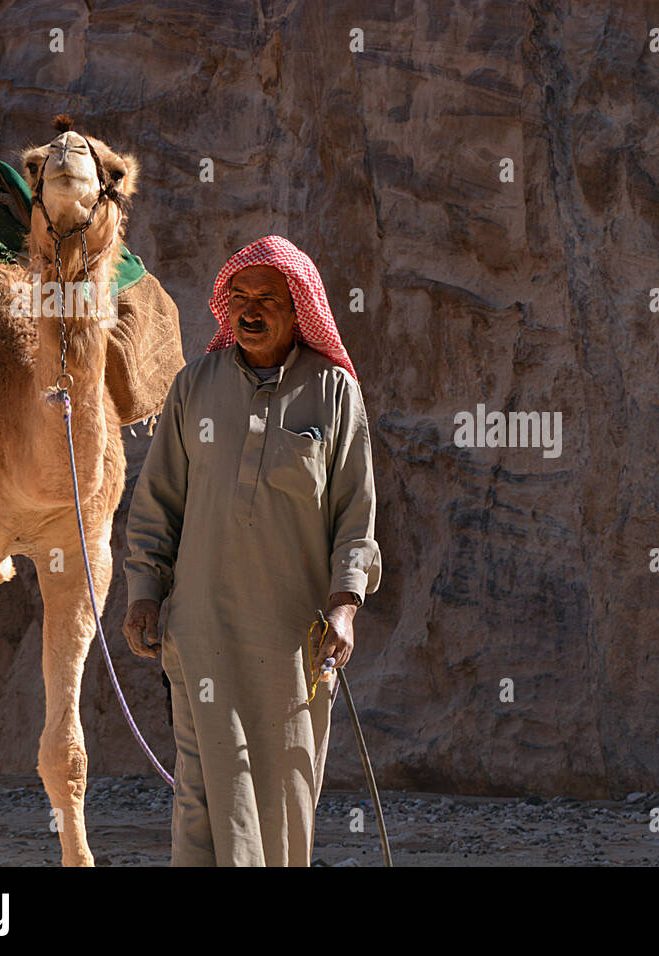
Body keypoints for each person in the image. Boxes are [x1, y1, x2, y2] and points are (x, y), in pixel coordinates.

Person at [122, 235, 381, 866]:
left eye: (265, 298)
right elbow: (157, 504)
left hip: (293, 640)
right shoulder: (194, 387)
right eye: (238, 296)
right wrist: (144, 594)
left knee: (283, 789)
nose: (248, 310)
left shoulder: (334, 394)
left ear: (298, 309)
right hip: (201, 628)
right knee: (204, 794)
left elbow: (356, 513)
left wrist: (345, 607)